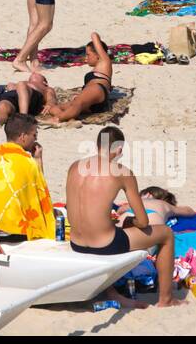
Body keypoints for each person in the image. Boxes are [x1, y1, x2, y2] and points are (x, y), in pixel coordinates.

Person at [65, 126, 180, 306]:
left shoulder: (74, 167)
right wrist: (130, 220)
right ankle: (167, 299)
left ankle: (111, 293)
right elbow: (142, 221)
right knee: (166, 234)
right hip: (104, 245)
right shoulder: (122, 172)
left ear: (97, 145)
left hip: (76, 243)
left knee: (111, 227)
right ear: (118, 149)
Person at [0, 114, 57, 242]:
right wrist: (38, 159)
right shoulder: (27, 162)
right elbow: (40, 196)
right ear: (23, 136)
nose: (35, 140)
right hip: (15, 232)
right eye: (34, 135)